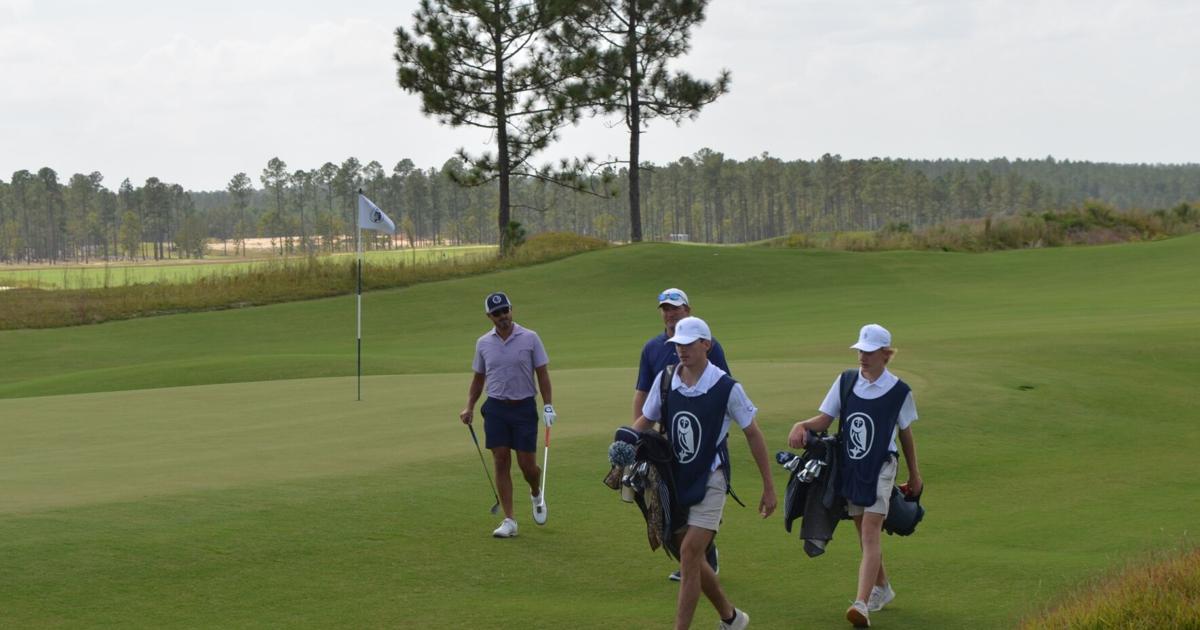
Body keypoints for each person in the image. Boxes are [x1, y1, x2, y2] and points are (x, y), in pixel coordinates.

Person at [631, 316, 776, 630]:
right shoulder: (667, 379)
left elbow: (753, 433)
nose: (681, 350)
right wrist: (624, 443)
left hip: (711, 478)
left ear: (706, 345)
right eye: (678, 345)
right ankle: (732, 618)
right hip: (672, 479)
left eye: (688, 344)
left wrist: (768, 487)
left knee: (689, 551)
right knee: (692, 559)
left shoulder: (726, 387)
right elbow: (645, 419)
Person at [787, 324, 924, 628]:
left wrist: (915, 474)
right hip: (851, 466)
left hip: (882, 467)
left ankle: (861, 603)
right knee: (863, 530)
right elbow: (826, 418)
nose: (862, 356)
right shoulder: (847, 381)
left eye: (869, 351)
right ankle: (883, 589)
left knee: (871, 531)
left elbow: (905, 434)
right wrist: (803, 424)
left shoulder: (900, 391)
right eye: (861, 350)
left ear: (886, 355)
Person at [634, 288, 730, 581]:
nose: (669, 313)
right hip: (666, 438)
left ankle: (702, 561)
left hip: (704, 436)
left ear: (687, 310)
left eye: (675, 308)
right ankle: (697, 559)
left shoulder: (709, 345)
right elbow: (642, 394)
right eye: (664, 308)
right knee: (675, 501)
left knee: (696, 496)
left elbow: (722, 389)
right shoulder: (652, 348)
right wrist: (635, 437)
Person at [460, 292, 556, 538]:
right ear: (489, 316)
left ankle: (535, 492)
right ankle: (510, 520)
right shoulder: (483, 343)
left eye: (505, 311)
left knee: (528, 466)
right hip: (496, 408)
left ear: (511, 309)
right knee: (501, 460)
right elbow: (478, 378)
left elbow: (542, 374)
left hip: (524, 407)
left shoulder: (530, 338)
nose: (502, 317)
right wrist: (469, 406)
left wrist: (548, 405)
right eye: (497, 313)